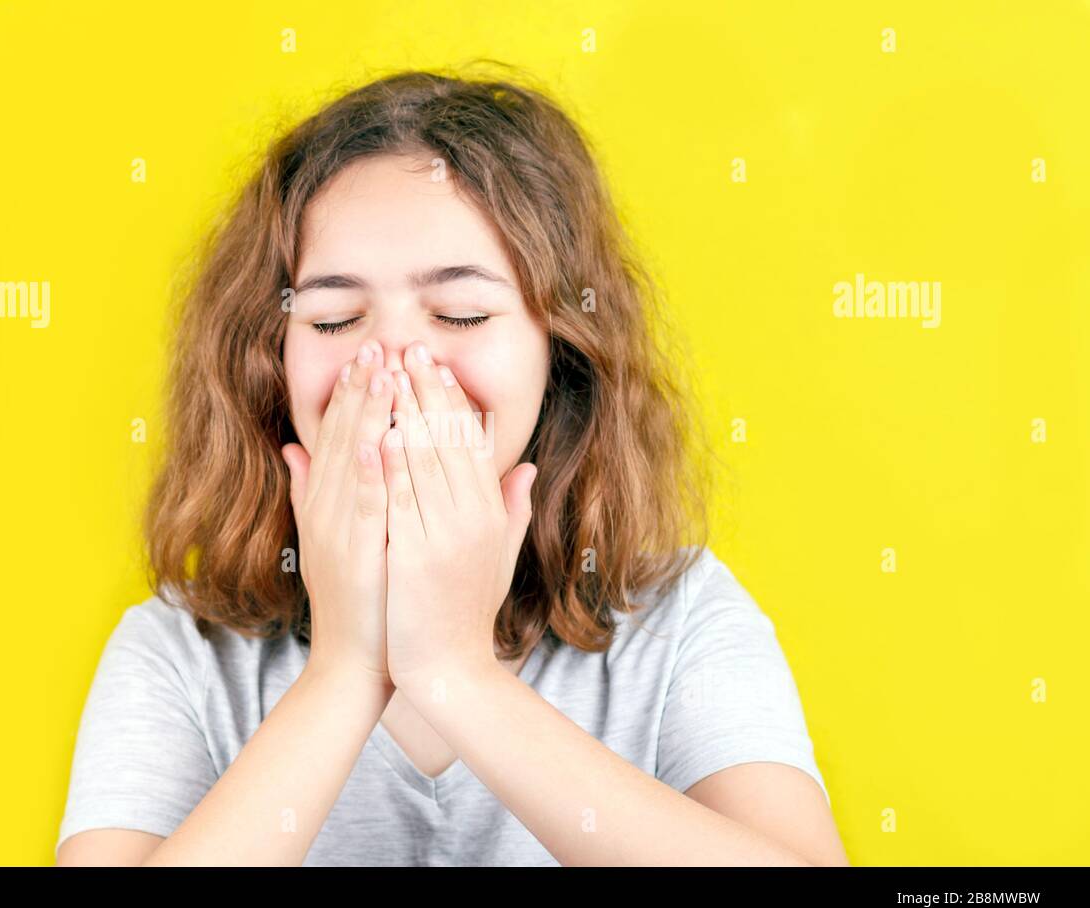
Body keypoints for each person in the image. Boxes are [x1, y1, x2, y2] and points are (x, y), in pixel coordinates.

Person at [55, 65, 849, 866]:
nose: (394, 362)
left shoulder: (679, 623)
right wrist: (344, 670)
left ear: (560, 350)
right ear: (271, 357)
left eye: (461, 312)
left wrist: (454, 673)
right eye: (333, 319)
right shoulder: (179, 652)